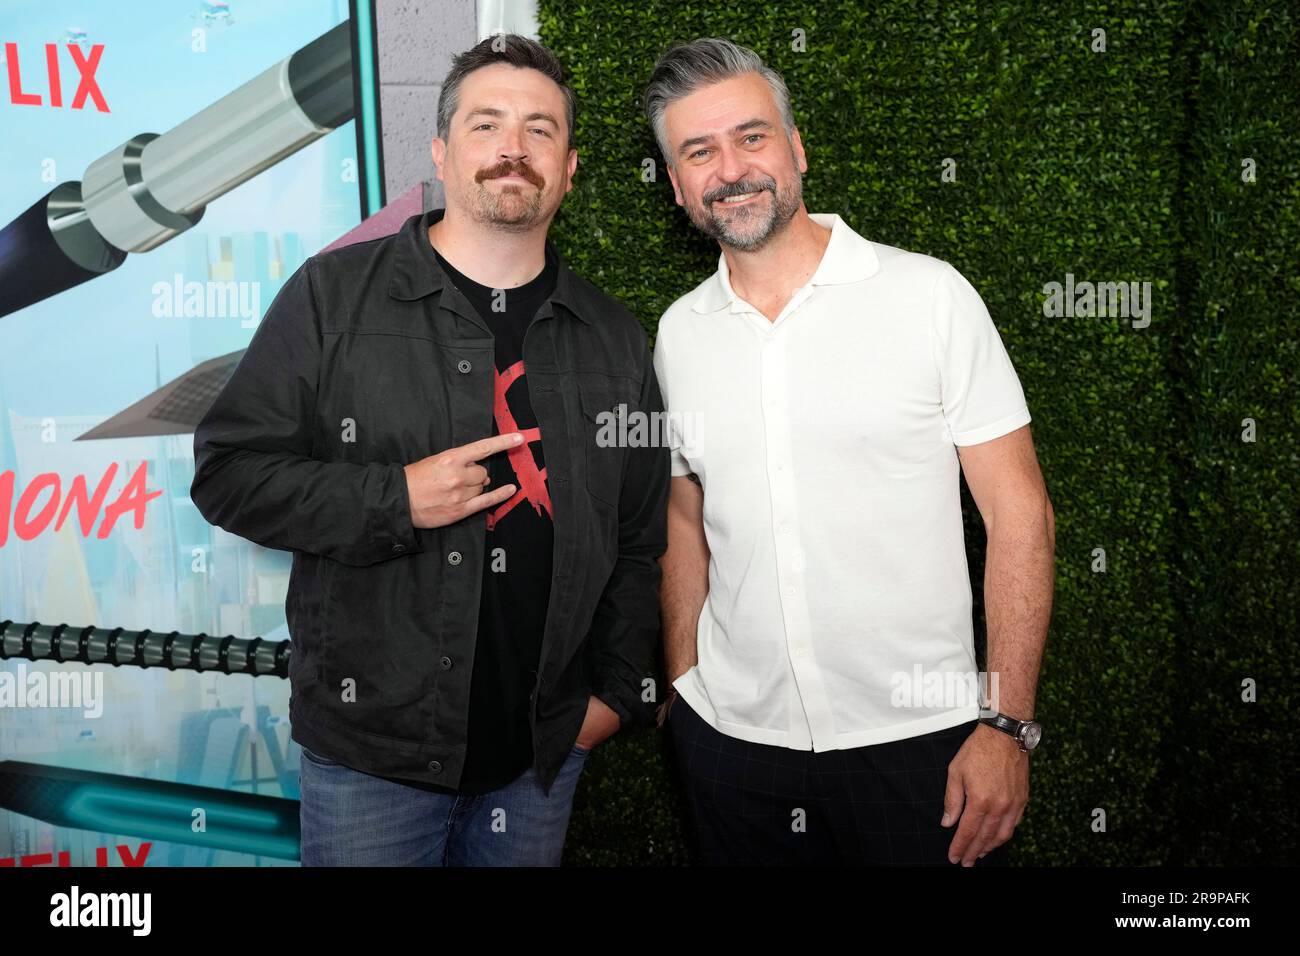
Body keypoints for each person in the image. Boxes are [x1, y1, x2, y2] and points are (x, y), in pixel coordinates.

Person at [191, 34, 669, 866]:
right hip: (370, 761)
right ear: (443, 153)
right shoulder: (331, 296)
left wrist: (613, 698)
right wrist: (394, 499)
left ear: (569, 167)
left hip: (540, 760)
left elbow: (637, 539)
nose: (512, 148)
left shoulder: (615, 339)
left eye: (539, 130)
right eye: (485, 126)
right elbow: (228, 474)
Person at [644, 37, 1055, 866]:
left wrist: (1005, 724)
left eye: (751, 137)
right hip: (732, 748)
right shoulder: (678, 333)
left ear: (795, 149)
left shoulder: (928, 296)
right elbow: (684, 512)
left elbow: (1021, 515)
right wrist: (685, 681)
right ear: (680, 183)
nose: (731, 168)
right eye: (699, 151)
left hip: (924, 747)